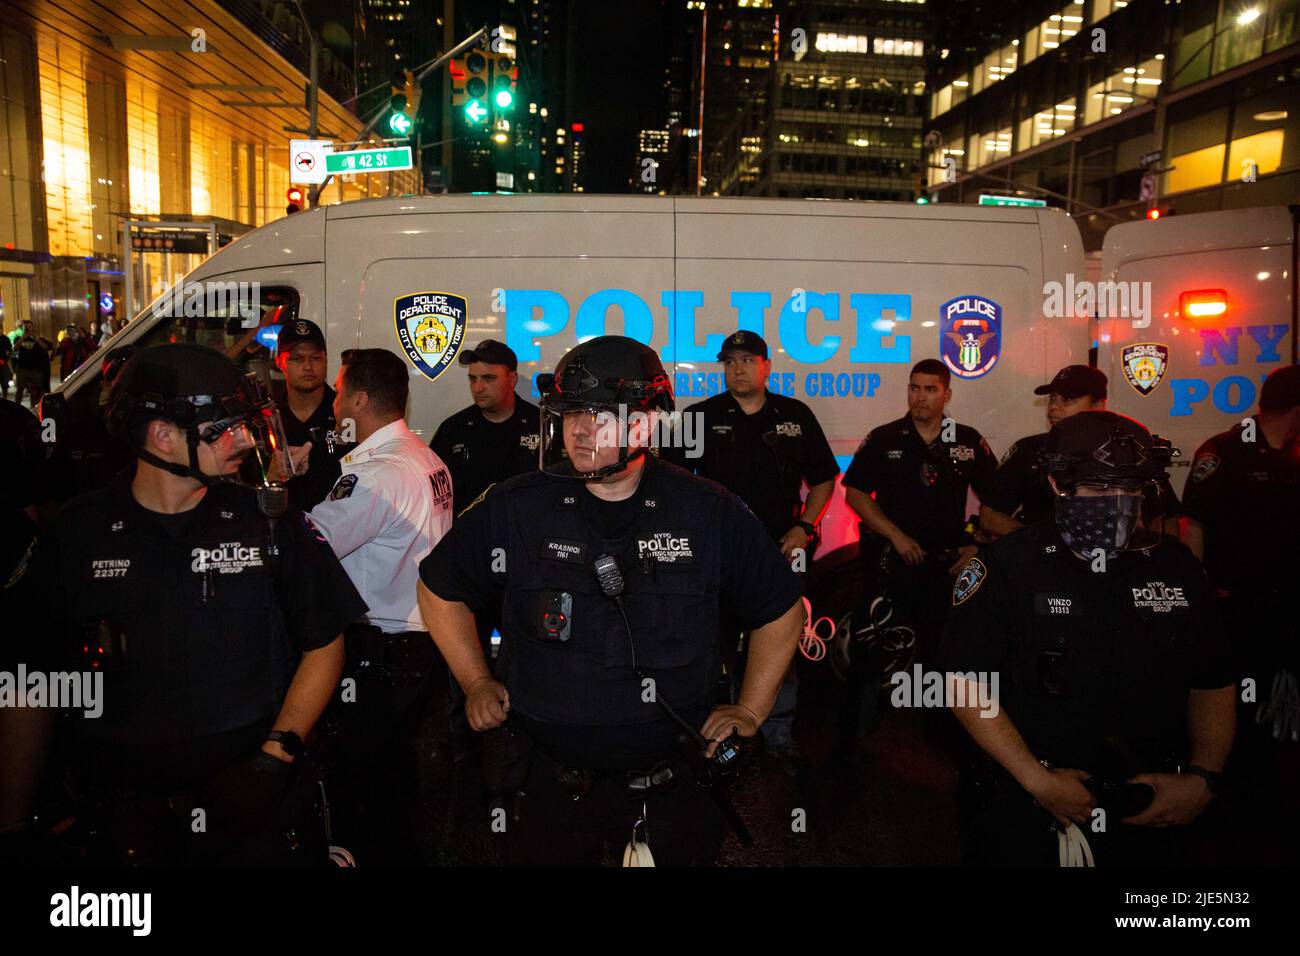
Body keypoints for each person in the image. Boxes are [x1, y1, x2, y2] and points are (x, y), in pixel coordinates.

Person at [416, 335, 804, 866]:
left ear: (643, 423)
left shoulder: (706, 511)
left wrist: (751, 710)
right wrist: (476, 680)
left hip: (670, 789)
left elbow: (781, 608)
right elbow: (438, 587)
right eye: (571, 413)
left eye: (598, 415)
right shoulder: (517, 506)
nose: (578, 429)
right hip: (549, 789)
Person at [17, 343, 366, 865]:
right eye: (224, 428)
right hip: (122, 818)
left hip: (248, 813)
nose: (245, 440)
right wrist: (13, 820)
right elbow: (30, 680)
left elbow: (325, 640)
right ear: (163, 435)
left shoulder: (268, 523)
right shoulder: (77, 536)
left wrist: (274, 758)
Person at [939, 410, 1236, 866]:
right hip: (1033, 801)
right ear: (1057, 484)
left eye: (1130, 489)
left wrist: (1204, 776)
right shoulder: (1007, 567)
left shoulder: (1175, 566)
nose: (1117, 503)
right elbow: (964, 682)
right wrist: (1037, 780)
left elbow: (1213, 679)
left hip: (1152, 803)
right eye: (1098, 488)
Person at [302, 348, 454, 865]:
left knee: (365, 785)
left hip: (382, 651)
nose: (333, 402)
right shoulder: (426, 458)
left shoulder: (376, 474)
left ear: (360, 400)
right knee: (395, 778)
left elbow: (311, 546)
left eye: (339, 392)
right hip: (419, 642)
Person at [683, 330, 839, 762]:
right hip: (718, 555)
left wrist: (804, 526)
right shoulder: (699, 417)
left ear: (766, 366)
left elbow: (824, 479)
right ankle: (713, 733)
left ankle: (777, 735)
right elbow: (672, 482)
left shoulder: (795, 416)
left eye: (748, 360)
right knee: (711, 645)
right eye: (730, 361)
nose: (738, 369)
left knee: (778, 645)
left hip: (778, 552)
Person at [1179, 363, 1300, 865]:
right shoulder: (1224, 451)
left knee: (1280, 708)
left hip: (1285, 608)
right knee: (1234, 705)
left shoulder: (1292, 456)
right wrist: (1198, 598)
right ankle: (1224, 800)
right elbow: (1193, 526)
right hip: (1235, 607)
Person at [428, 339, 540, 760]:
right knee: (465, 667)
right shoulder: (454, 431)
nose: (478, 387)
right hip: (472, 569)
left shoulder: (541, 426)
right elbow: (435, 497)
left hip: (526, 567)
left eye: (488, 378)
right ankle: (464, 752)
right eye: (473, 379)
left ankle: (528, 745)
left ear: (512, 378)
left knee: (528, 660)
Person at [843, 358, 998, 656]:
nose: (920, 397)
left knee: (940, 652)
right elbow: (855, 494)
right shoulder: (884, 438)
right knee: (877, 654)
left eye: (930, 389)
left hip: (947, 567)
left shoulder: (967, 440)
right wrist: (896, 536)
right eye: (914, 388)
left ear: (946, 395)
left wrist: (979, 546)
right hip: (893, 564)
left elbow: (997, 501)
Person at [980, 365, 1180, 539]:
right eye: (1052, 399)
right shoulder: (1029, 450)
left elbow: (1166, 517)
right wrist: (1039, 545)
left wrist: (1160, 560)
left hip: (1119, 562)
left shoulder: (1131, 450)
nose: (1053, 408)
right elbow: (989, 516)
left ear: (1098, 406)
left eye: (1067, 400)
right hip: (1048, 566)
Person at [272, 319, 349, 511]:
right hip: (282, 521)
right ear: (279, 362)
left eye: (315, 358)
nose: (307, 366)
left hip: (339, 523)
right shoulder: (265, 417)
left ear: (326, 359)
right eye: (296, 359)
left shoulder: (347, 412)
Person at [13, 322, 52, 408]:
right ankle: (16, 407)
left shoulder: (38, 339)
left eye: (29, 327)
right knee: (20, 389)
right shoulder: (18, 338)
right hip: (22, 368)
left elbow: (46, 347)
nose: (28, 329)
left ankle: (33, 408)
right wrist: (22, 338)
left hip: (35, 368)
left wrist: (36, 339)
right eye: (26, 327)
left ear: (33, 328)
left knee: (34, 391)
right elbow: (15, 348)